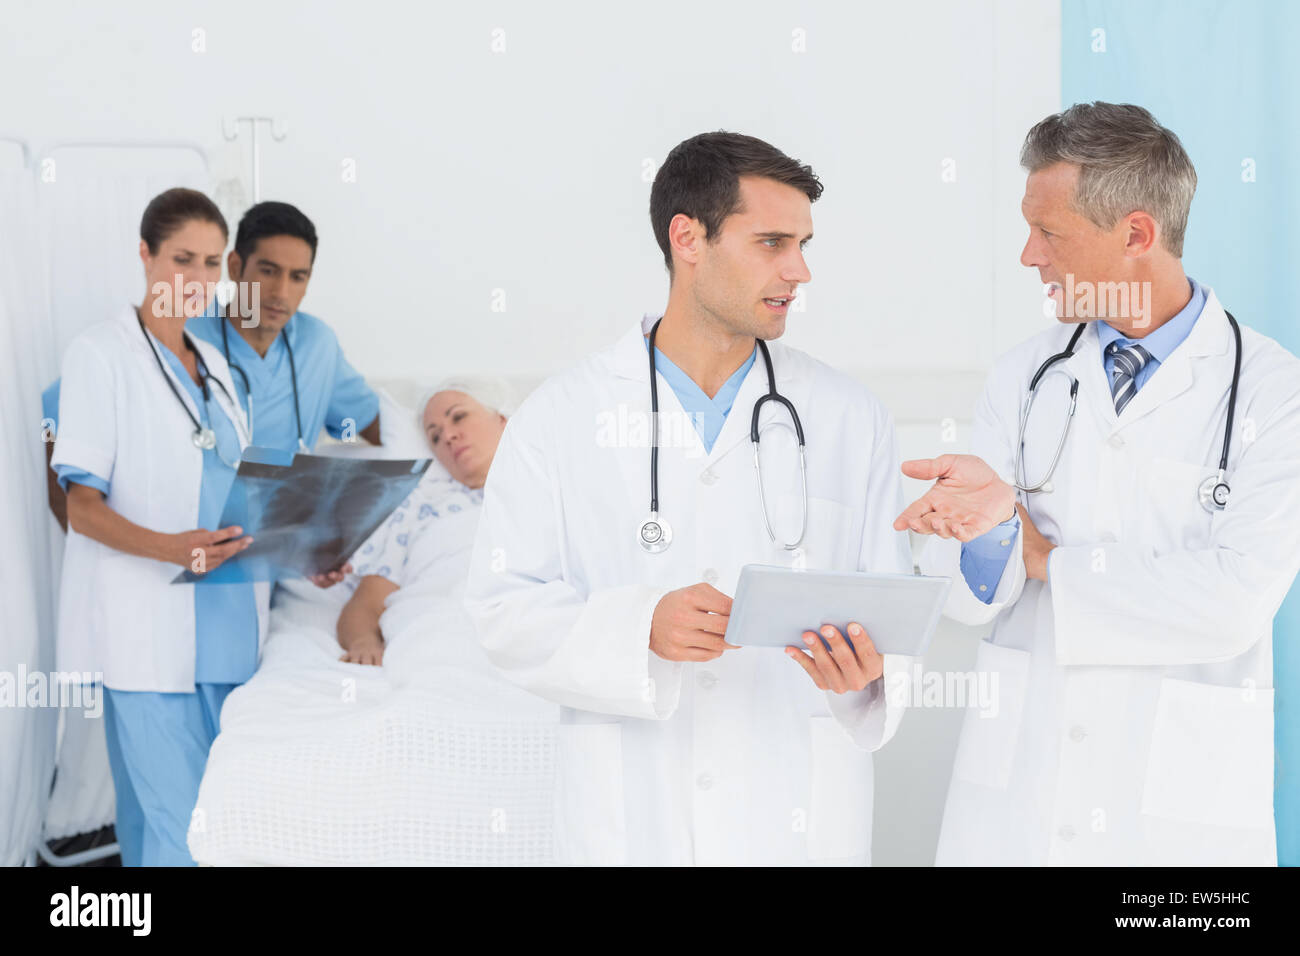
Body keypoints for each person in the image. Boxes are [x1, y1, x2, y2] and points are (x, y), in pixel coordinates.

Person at [465, 132, 915, 866]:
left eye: (803, 244)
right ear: (688, 238)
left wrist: (868, 675)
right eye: (772, 241)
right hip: (631, 815)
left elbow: (890, 608)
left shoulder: (846, 415)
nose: (798, 271)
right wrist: (639, 626)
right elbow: (500, 609)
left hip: (797, 810)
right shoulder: (561, 415)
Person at [895, 103, 1300, 866]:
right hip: (1020, 803)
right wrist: (989, 536)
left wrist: (1047, 558)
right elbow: (960, 599)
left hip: (1177, 824)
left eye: (1049, 233)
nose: (1027, 256)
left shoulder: (1276, 396)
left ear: (1137, 235)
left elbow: (1233, 603)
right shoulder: (1024, 376)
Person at [51, 187, 270, 866]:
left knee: (167, 825)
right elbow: (81, 507)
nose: (198, 281)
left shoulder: (219, 369)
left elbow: (231, 492)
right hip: (147, 632)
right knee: (185, 837)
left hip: (227, 631)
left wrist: (302, 541)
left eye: (212, 263)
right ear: (145, 256)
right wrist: (169, 548)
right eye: (182, 259)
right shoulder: (99, 355)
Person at [338, 379, 509, 666]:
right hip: (443, 632)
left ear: (502, 420)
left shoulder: (552, 486)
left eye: (458, 416)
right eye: (435, 437)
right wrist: (364, 643)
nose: (449, 436)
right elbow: (365, 605)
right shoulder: (418, 510)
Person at [188, 200, 380, 455]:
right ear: (235, 267)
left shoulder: (317, 345)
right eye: (268, 271)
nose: (281, 293)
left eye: (297, 277)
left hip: (296, 494)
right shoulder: (187, 339)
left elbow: (375, 426)